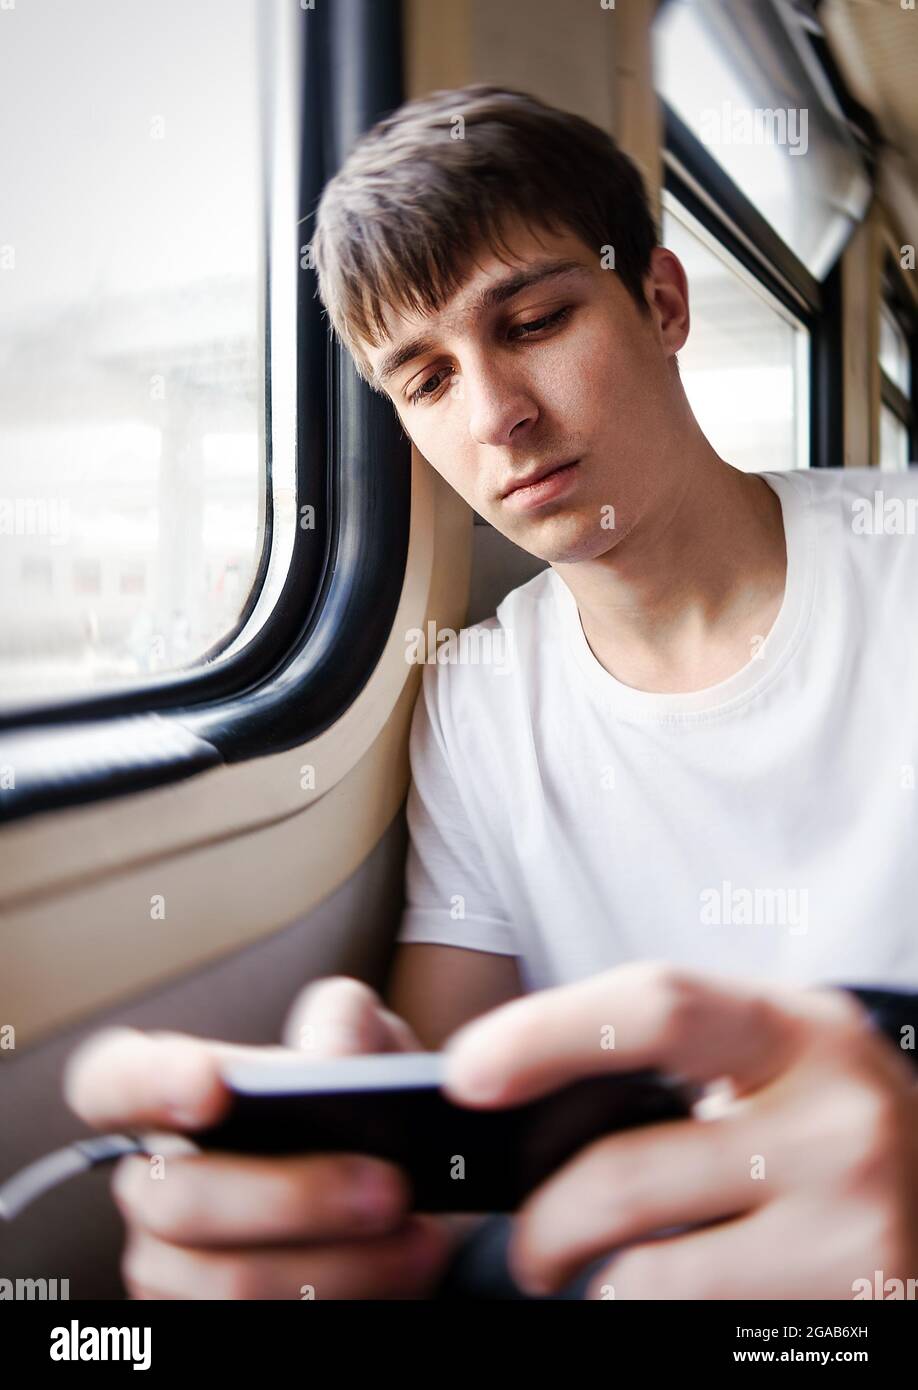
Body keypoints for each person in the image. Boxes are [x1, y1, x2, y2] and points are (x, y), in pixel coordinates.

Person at [65, 84, 918, 1300]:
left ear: (661, 303)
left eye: (532, 322)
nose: (498, 418)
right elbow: (453, 1095)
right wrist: (363, 1204)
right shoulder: (475, 701)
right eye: (424, 381)